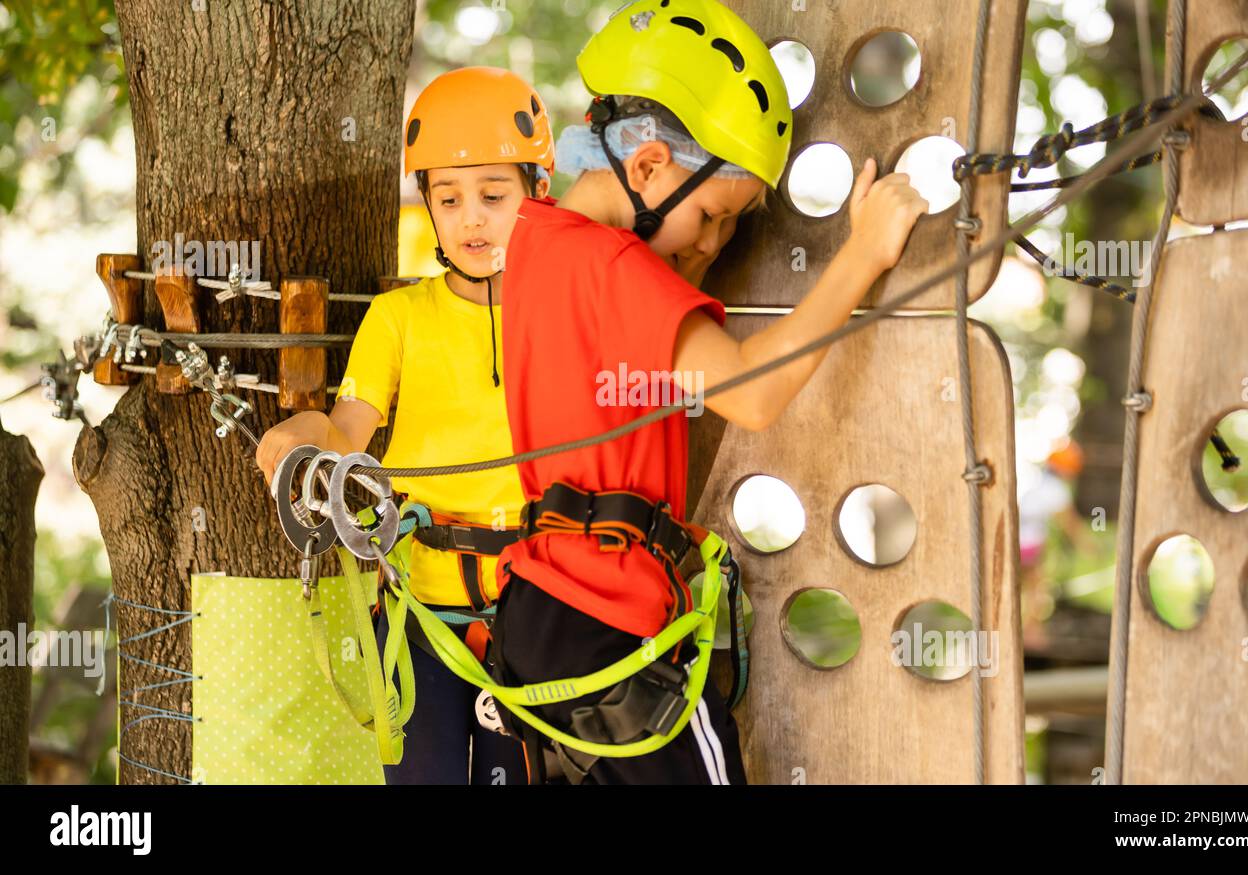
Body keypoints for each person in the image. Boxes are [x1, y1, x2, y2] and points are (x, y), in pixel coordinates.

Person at [487, 0, 929, 784]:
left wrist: (686, 243)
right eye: (713, 214)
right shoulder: (615, 271)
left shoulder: (536, 239)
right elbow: (752, 395)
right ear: (649, 165)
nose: (713, 242)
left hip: (539, 616)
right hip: (614, 626)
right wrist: (862, 253)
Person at [255, 66, 557, 785]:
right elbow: (349, 426)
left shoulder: (564, 312)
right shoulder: (399, 318)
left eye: (493, 196)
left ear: (538, 195)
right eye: (448, 199)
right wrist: (301, 435)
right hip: (421, 607)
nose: (471, 219)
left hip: (537, 605)